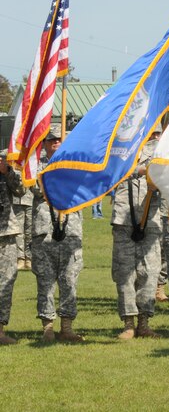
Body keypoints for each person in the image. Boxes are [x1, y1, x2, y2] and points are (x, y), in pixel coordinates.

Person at [29, 125, 86, 342]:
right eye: (51, 139)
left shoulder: (76, 166)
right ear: (43, 143)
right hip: (44, 231)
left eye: (59, 139)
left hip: (70, 230)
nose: (55, 143)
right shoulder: (36, 167)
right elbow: (35, 188)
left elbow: (83, 189)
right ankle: (48, 327)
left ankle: (67, 327)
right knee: (45, 281)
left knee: (69, 280)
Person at [111, 129, 164, 339]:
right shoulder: (121, 148)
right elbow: (112, 171)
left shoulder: (161, 150)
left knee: (149, 273)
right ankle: (128, 323)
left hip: (150, 219)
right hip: (124, 217)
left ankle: (144, 322)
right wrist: (141, 170)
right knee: (125, 273)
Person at [0, 149, 25, 345]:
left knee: (6, 282)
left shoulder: (4, 164)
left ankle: (0, 331)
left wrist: (7, 171)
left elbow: (21, 189)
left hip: (6, 233)